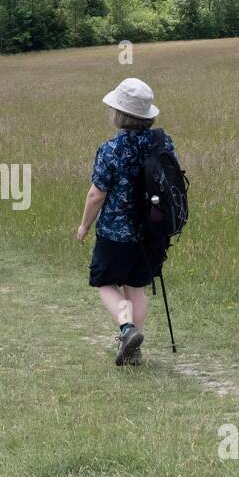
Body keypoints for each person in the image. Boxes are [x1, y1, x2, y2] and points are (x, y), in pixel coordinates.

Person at [76, 78, 175, 366]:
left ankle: (127, 330)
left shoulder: (111, 149)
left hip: (115, 233)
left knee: (104, 281)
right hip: (151, 230)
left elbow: (96, 194)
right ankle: (134, 346)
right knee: (136, 286)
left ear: (119, 114)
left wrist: (84, 225)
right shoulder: (162, 142)